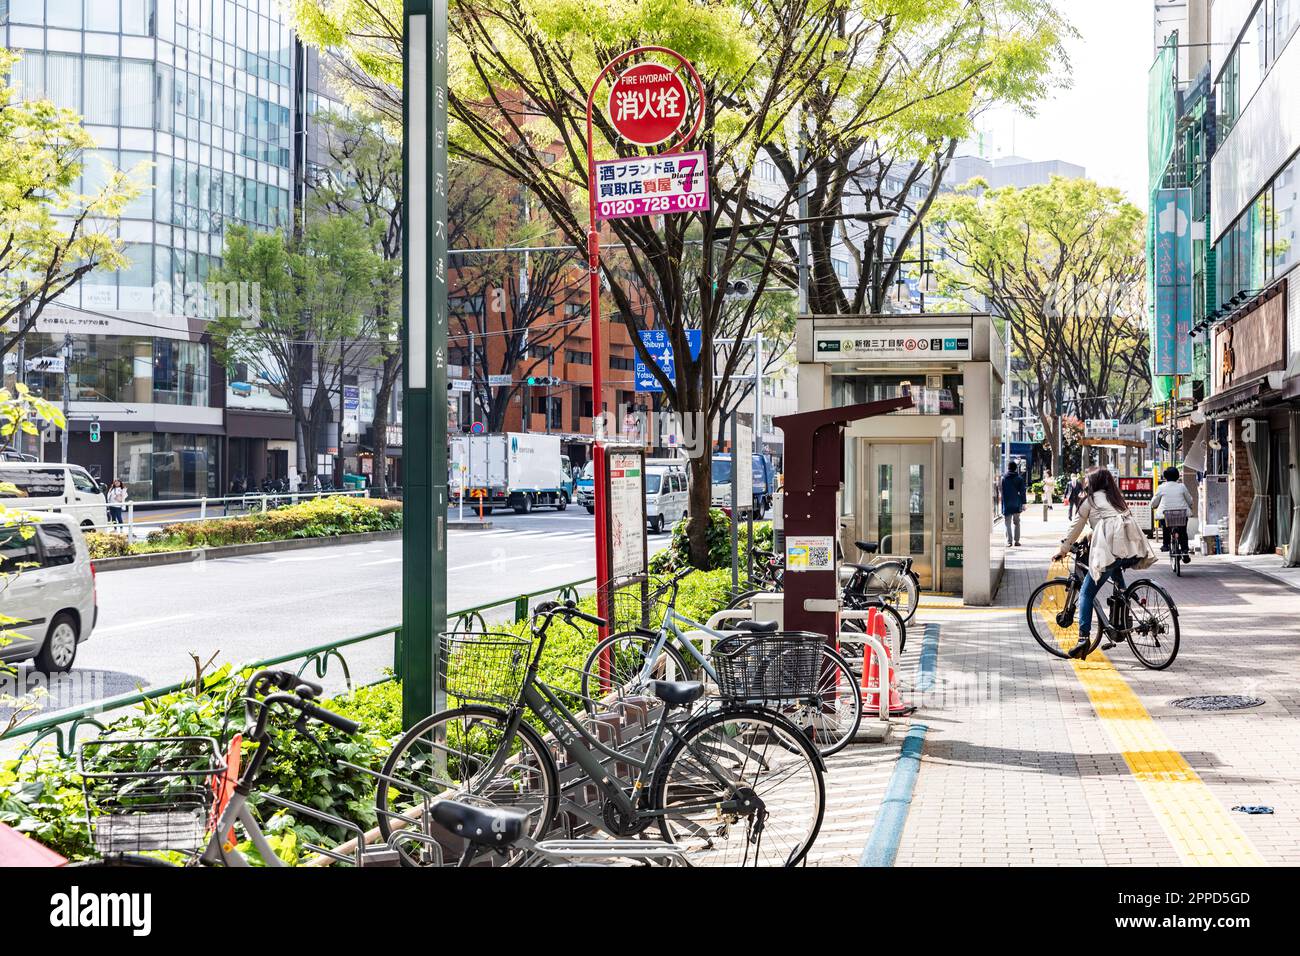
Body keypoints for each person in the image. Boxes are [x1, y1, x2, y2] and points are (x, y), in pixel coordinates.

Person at [1054, 468, 1153, 659]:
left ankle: (1083, 639)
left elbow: (1076, 527)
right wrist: (1089, 537)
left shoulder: (1090, 501)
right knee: (1116, 571)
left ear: (1093, 483)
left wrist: (1063, 550)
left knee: (1086, 593)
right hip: (1129, 550)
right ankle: (1122, 621)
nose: (1085, 483)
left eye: (1087, 481)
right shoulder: (1115, 498)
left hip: (1110, 549)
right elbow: (1104, 524)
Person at [1152, 466, 1194, 562]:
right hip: (1181, 514)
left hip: (1166, 515)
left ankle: (1166, 545)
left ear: (1165, 477)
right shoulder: (1182, 486)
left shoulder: (1161, 487)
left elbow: (1154, 502)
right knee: (1183, 532)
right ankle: (1184, 550)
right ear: (1177, 476)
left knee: (1165, 526)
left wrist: (1154, 506)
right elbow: (1190, 500)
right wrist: (1190, 505)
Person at [1001, 460, 1027, 547]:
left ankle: (1009, 541)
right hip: (1016, 503)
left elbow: (1001, 491)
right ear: (1016, 468)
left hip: (1007, 503)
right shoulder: (1019, 478)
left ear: (1008, 468)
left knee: (1007, 523)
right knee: (1017, 522)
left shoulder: (1004, 478)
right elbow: (1023, 492)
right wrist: (1024, 503)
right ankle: (1017, 541)